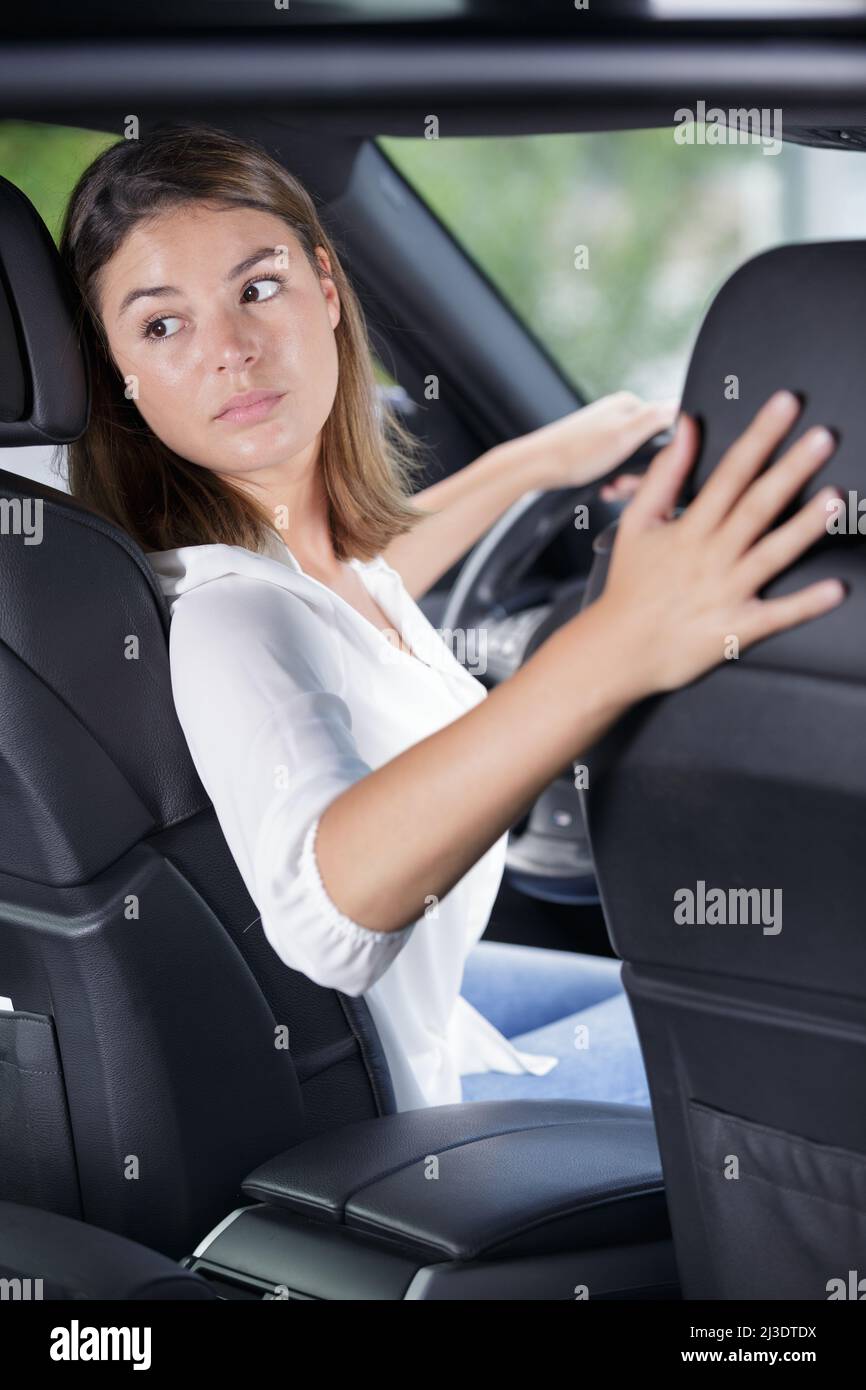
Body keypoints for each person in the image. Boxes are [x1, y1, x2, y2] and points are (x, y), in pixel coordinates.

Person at [58, 122, 845, 1113]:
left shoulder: (272, 564)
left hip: (435, 1023)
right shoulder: (234, 621)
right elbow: (323, 918)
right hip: (410, 1128)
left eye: (257, 289)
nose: (232, 351)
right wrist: (614, 646)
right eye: (162, 326)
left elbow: (359, 586)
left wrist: (535, 460)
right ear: (114, 376)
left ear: (326, 291)